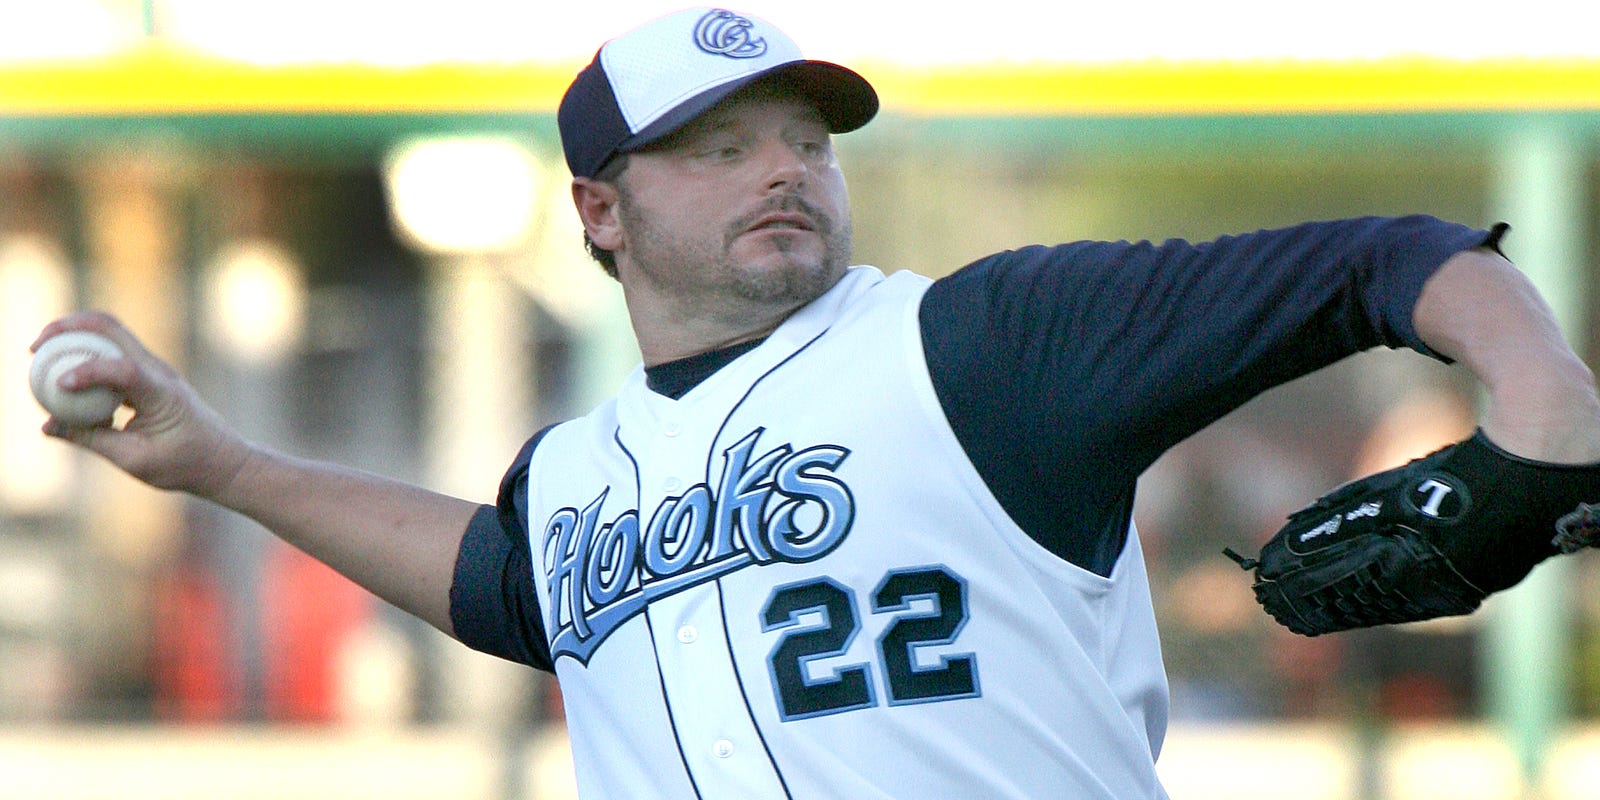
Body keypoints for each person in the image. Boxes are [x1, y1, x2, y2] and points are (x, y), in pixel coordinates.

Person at [33, 7, 1600, 798]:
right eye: (718, 148)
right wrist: (222, 465)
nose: (782, 167)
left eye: (804, 138)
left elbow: (1384, 261)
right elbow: (507, 584)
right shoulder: (579, 474)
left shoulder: (987, 345)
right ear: (601, 212)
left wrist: (1543, 421)